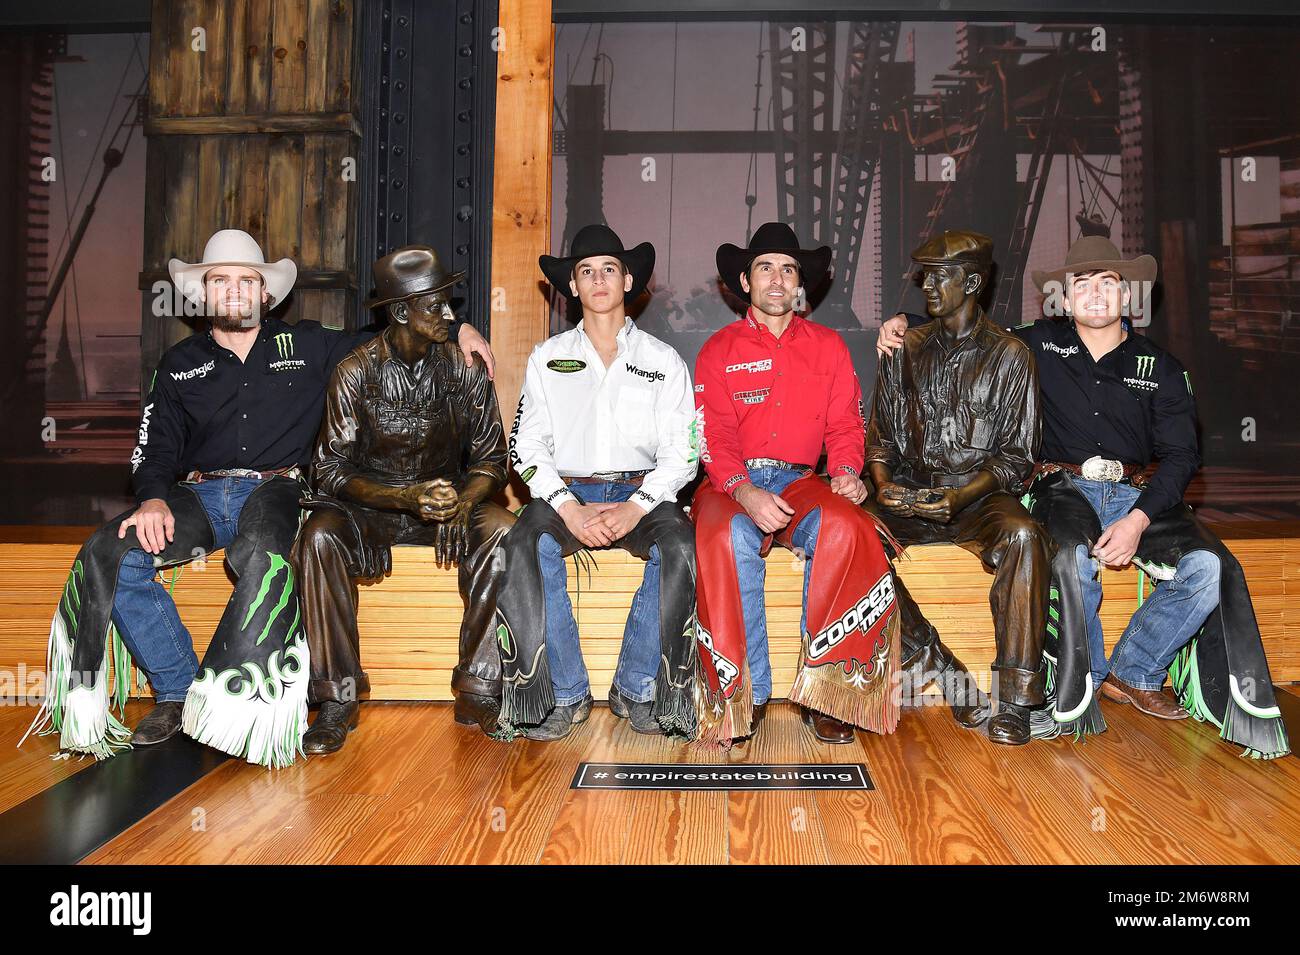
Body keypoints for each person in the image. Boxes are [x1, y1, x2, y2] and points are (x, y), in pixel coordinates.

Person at [22, 229, 494, 767]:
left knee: (263, 555)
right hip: (197, 495)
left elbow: (395, 330)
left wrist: (461, 328)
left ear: (265, 293)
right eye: (220, 280)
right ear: (201, 294)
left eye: (247, 280)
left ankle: (229, 697)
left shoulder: (311, 343)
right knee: (115, 553)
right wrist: (152, 498)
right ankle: (177, 691)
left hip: (279, 488)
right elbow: (153, 449)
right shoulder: (178, 363)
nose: (235, 290)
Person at [881, 235, 1289, 757]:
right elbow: (967, 334)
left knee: (1210, 567)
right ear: (1064, 298)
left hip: (1137, 495)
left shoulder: (1160, 367)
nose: (1095, 294)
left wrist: (1139, 519)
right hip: (1063, 488)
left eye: (1108, 283)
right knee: (1071, 561)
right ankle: (1084, 685)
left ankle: (1135, 669)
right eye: (1082, 284)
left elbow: (1183, 458)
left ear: (1127, 296)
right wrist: (903, 322)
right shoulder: (1033, 342)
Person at [292, 246, 515, 753]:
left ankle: (477, 688)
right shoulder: (356, 371)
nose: (450, 315)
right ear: (400, 312)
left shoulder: (462, 369)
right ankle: (338, 695)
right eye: (435, 306)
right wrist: (402, 497)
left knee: (502, 529)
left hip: (445, 507)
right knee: (319, 537)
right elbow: (328, 470)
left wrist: (462, 500)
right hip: (372, 507)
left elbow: (492, 461)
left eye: (447, 303)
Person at [692, 221, 900, 747]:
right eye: (765, 267)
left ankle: (830, 692)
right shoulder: (718, 349)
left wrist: (849, 472)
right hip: (728, 482)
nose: (778, 279)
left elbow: (847, 427)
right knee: (728, 538)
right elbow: (710, 434)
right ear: (745, 281)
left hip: (802, 480)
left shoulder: (829, 347)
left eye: (788, 269)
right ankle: (745, 695)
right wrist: (743, 489)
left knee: (847, 526)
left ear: (799, 282)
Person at [495, 224, 700, 741]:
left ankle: (638, 688)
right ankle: (564, 694)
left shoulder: (663, 360)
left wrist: (638, 504)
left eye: (609, 268)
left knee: (681, 545)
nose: (598, 279)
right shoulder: (547, 358)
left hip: (643, 489)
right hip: (569, 490)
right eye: (586, 271)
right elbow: (525, 448)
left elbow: (684, 454)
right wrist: (566, 506)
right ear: (573, 287)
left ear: (628, 280)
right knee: (524, 541)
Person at [865, 230, 1049, 746]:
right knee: (850, 534)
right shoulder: (906, 349)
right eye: (923, 273)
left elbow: (1017, 456)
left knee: (1024, 537)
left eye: (938, 274)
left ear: (971, 282)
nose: (926, 284)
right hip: (912, 494)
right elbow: (882, 438)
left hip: (979, 499)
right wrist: (882, 486)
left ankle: (1015, 700)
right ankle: (942, 669)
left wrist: (961, 496)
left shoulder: (1011, 355)